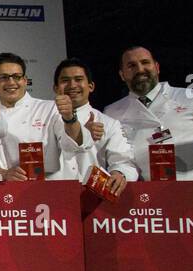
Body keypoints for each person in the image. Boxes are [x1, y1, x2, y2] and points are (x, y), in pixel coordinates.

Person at [105, 46, 193, 180]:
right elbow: (118, 159)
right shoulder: (112, 112)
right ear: (122, 75)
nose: (140, 69)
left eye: (145, 62)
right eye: (131, 65)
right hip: (143, 196)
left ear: (157, 68)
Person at [0, 52, 87, 181]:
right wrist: (4, 174)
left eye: (17, 77)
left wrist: (69, 118)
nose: (11, 82)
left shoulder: (49, 109)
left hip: (50, 187)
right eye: (4, 77)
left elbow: (73, 145)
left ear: (25, 81)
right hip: (6, 190)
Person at [54, 58, 137, 192]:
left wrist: (119, 173)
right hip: (55, 196)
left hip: (95, 198)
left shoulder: (109, 123)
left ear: (91, 86)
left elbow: (123, 160)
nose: (72, 85)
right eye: (65, 81)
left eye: (78, 79)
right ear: (56, 88)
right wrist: (82, 133)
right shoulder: (45, 119)